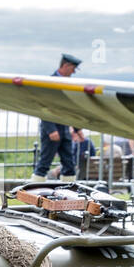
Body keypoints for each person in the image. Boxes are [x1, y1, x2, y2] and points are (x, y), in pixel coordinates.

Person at [25, 53, 82, 184]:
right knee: (45, 162)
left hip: (65, 128)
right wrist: (51, 129)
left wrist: (77, 129)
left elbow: (69, 108)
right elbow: (43, 107)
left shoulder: (68, 83)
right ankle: (34, 190)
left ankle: (69, 191)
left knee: (69, 164)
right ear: (66, 65)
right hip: (51, 129)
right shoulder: (49, 83)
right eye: (73, 68)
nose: (73, 72)